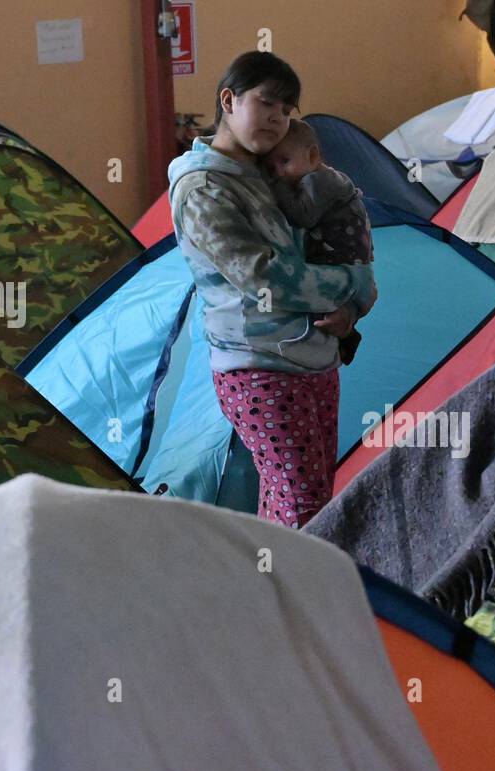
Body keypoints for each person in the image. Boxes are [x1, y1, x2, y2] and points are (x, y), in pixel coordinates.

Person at [168, 52, 377, 529]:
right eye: (266, 103)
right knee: (299, 499)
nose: (277, 119)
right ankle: (288, 598)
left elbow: (328, 232)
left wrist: (350, 309)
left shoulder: (270, 173)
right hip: (258, 367)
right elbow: (266, 277)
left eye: (286, 110)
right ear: (229, 100)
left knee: (310, 491)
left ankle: (275, 592)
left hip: (311, 356)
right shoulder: (202, 188)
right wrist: (355, 285)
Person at [263, 119, 373, 364]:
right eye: (271, 168)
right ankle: (343, 337)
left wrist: (275, 186)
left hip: (343, 257)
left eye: (284, 162)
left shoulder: (319, 180)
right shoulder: (320, 178)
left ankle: (346, 339)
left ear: (312, 156)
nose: (279, 173)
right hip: (343, 255)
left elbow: (304, 215)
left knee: (333, 302)